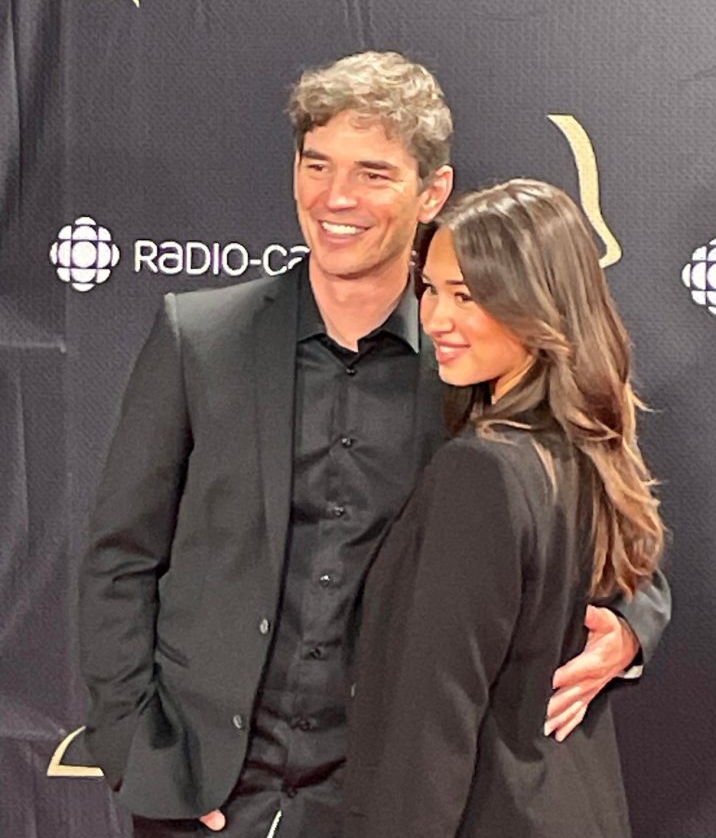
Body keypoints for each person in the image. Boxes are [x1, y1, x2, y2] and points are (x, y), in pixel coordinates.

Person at [78, 53, 670, 838]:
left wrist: (630, 628)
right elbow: (120, 559)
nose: (336, 198)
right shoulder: (200, 339)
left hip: (382, 798)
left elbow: (601, 523)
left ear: (433, 193)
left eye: (373, 173)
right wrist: (136, 753)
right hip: (205, 795)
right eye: (316, 164)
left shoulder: (476, 360)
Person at [342, 179, 666, 838]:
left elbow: (434, 714)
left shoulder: (482, 469)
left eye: (467, 296)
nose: (435, 318)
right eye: (430, 290)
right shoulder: (588, 450)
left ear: (536, 305)